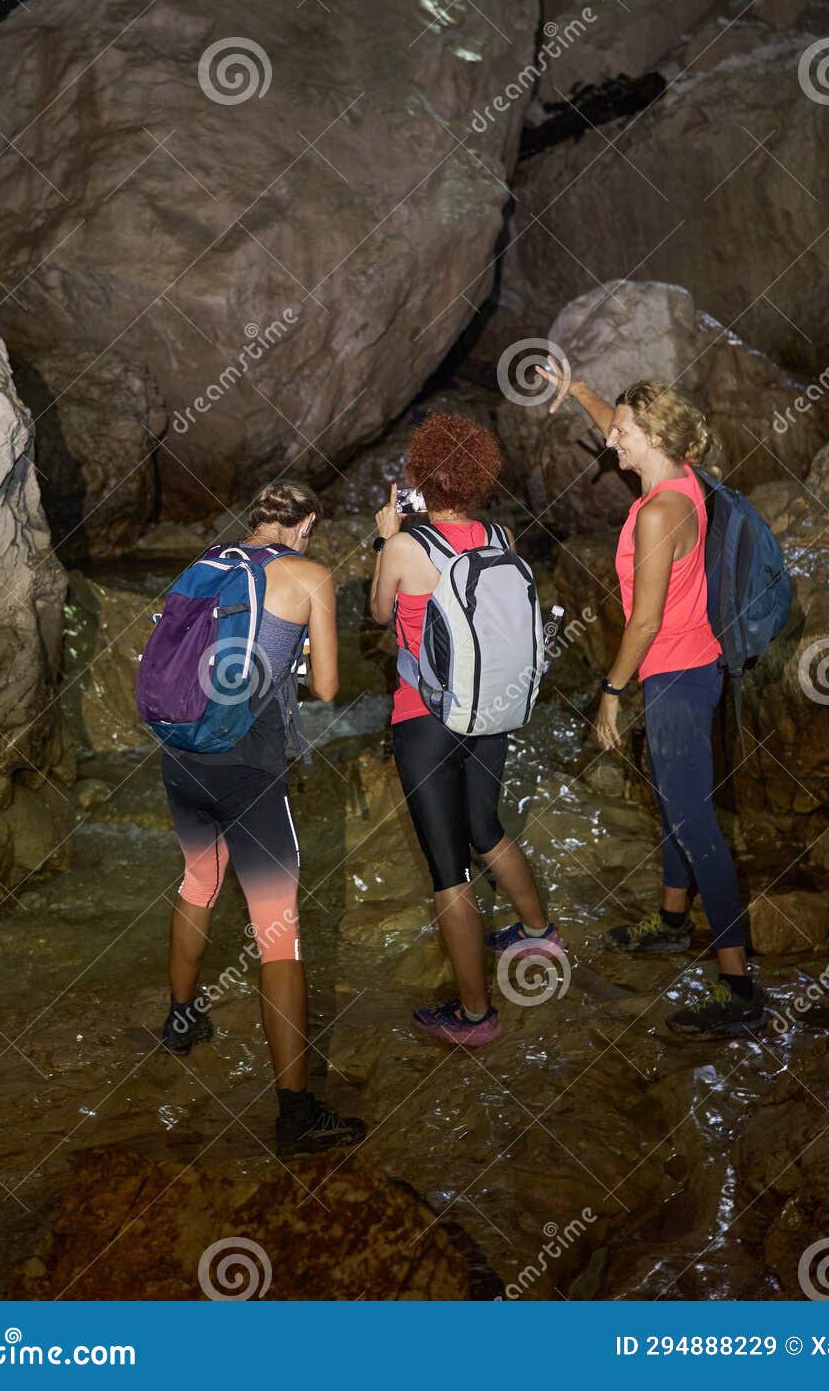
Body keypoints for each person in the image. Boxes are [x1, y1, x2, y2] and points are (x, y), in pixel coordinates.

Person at [538, 363, 766, 1038]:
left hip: (676, 676)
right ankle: (671, 919)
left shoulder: (661, 513)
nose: (612, 440)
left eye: (625, 433)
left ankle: (738, 987)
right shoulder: (683, 477)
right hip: (689, 669)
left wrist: (610, 691)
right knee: (673, 797)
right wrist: (581, 393)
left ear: (657, 439)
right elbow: (617, 421)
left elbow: (644, 620)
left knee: (696, 825)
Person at [158, 478, 367, 1155]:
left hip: (183, 756)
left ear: (256, 521)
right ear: (303, 525)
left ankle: (181, 1019)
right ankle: (296, 1113)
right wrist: (293, 654)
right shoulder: (308, 574)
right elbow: (329, 688)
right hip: (250, 766)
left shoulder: (204, 566)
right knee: (280, 934)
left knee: (198, 882)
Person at [369, 412, 565, 1047]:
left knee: (447, 867)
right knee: (486, 822)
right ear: (481, 476)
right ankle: (538, 934)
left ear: (422, 477)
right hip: (490, 707)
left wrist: (385, 540)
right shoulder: (500, 535)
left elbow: (379, 614)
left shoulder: (405, 547)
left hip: (425, 716)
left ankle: (476, 1016)